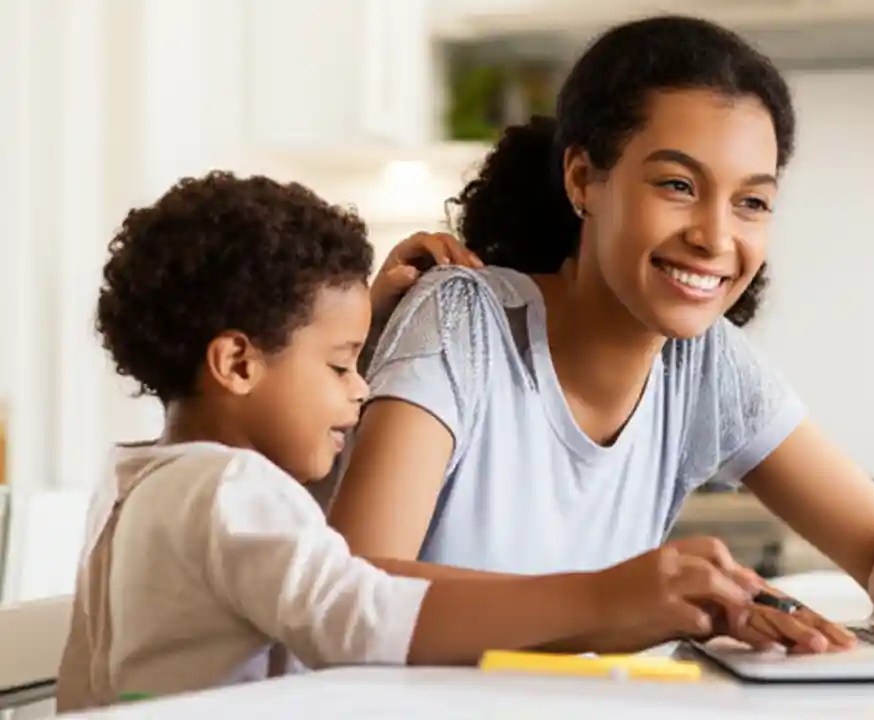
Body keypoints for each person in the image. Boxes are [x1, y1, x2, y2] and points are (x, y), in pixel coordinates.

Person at [328, 15, 874, 654]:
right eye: (678, 185)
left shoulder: (704, 363)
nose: (715, 236)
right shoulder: (463, 320)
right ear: (583, 179)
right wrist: (610, 602)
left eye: (751, 202)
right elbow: (353, 595)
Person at [56, 172, 772, 711]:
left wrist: (354, 329)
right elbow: (355, 611)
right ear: (237, 364)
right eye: (339, 366)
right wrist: (602, 600)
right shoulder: (227, 493)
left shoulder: (149, 485)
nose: (362, 388)